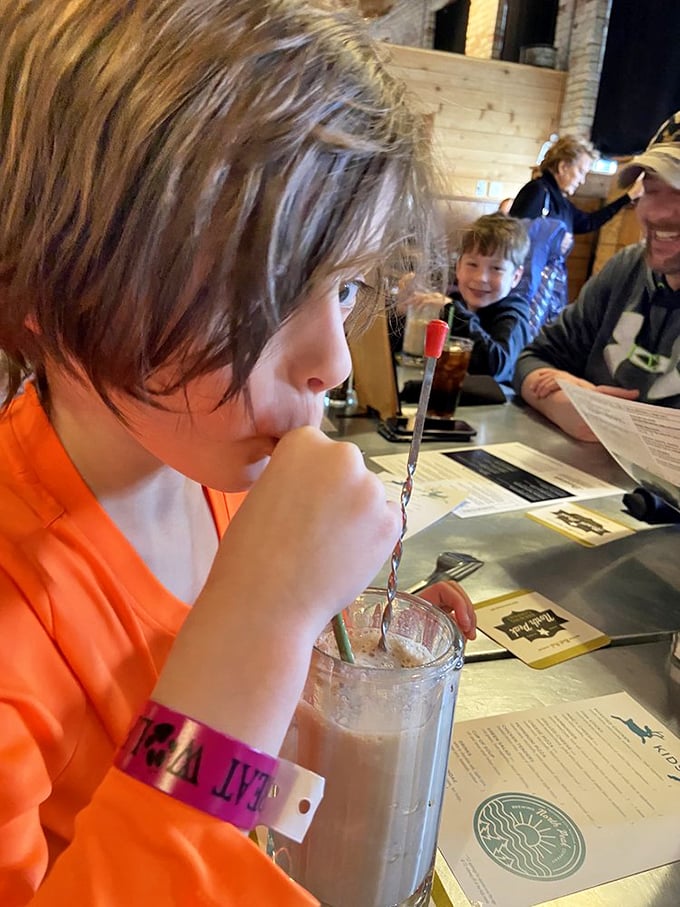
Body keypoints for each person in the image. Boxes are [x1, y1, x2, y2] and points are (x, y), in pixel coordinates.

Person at [0, 2, 477, 905]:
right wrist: (265, 619)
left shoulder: (215, 473)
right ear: (47, 279)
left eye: (340, 288)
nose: (334, 361)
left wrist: (329, 617)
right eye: (257, 291)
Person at [514, 110, 680, 442]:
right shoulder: (627, 269)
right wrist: (572, 407)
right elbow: (533, 360)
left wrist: (614, 423)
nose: (656, 211)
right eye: (651, 188)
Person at [443, 213, 532, 384]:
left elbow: (494, 368)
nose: (481, 277)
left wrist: (454, 313)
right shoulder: (456, 302)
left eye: (496, 268)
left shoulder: (514, 314)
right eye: (472, 264)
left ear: (515, 277)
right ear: (458, 266)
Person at [509, 135, 644, 245]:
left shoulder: (561, 202)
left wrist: (629, 196)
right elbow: (516, 238)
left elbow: (589, 222)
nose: (582, 180)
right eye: (580, 171)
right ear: (563, 167)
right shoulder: (537, 191)